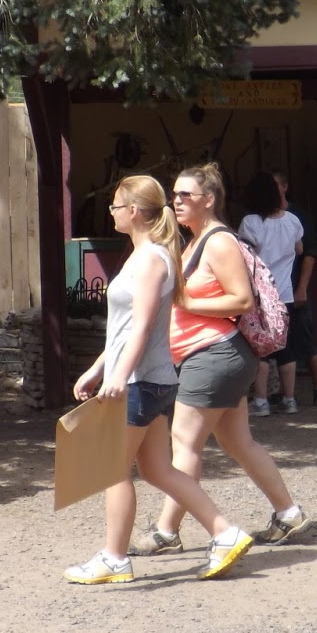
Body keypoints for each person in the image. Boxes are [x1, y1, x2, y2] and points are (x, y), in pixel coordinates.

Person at [65, 176, 255, 584]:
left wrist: (117, 375)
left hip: (140, 381)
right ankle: (225, 533)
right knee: (156, 470)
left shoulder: (151, 258)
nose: (111, 212)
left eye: (115, 206)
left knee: (113, 469)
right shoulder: (144, 256)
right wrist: (99, 368)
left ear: (133, 211)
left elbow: (144, 327)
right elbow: (127, 327)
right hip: (142, 378)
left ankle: (114, 558)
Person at [131, 163, 310, 555]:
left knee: (185, 443)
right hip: (215, 356)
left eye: (186, 195)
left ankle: (166, 531)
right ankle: (289, 512)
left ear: (208, 200)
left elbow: (241, 299)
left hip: (213, 355)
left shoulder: (218, 242)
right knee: (238, 442)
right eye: (174, 194)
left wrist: (187, 301)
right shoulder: (194, 241)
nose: (176, 201)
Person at [239, 172, 304, 416]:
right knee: (286, 349)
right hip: (284, 294)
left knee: (261, 349)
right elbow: (299, 249)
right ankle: (289, 400)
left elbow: (244, 256)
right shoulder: (292, 221)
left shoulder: (250, 222)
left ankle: (261, 401)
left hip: (259, 295)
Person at [272, 171, 317, 407]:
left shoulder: (298, 217)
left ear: (285, 187)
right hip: (273, 292)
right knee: (276, 344)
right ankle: (283, 394)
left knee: (305, 339)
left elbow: (308, 254)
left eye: (275, 185)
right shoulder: (260, 217)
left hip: (294, 287)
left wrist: (302, 287)